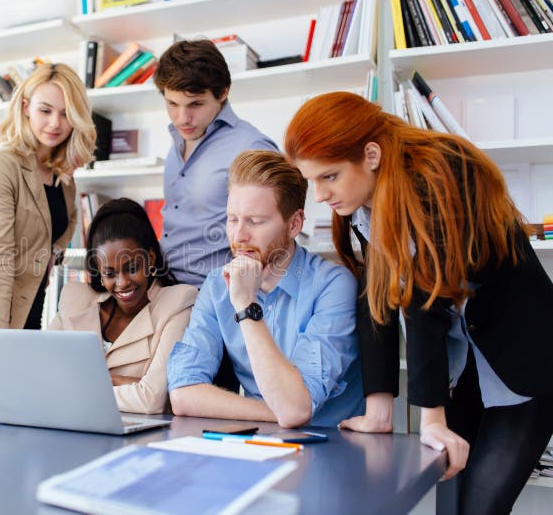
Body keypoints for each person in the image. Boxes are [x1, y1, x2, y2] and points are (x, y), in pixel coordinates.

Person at [285, 91, 553, 513]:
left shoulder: (442, 175)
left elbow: (424, 299)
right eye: (311, 181)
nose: (318, 195)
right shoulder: (363, 205)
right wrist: (378, 410)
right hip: (466, 368)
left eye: (329, 177)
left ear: (370, 155)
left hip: (522, 362)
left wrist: (430, 418)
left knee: (480, 507)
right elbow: (378, 301)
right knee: (446, 502)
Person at [166, 150, 364, 427]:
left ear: (294, 223)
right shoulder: (217, 285)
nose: (238, 236)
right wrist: (277, 414)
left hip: (334, 447)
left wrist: (247, 307)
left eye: (256, 221)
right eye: (232, 219)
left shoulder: (332, 285)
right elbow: (183, 393)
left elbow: (296, 409)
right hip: (264, 440)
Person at [0, 63, 96, 388]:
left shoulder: (64, 178)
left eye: (66, 114)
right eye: (45, 110)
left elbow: (58, 238)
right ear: (25, 107)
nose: (55, 123)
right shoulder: (2, 165)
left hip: (28, 318)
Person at [48, 198, 197, 414]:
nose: (122, 282)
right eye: (109, 273)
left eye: (132, 268)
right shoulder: (74, 299)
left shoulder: (177, 303)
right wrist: (126, 383)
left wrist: (77, 387)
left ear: (150, 258)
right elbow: (44, 377)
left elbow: (152, 399)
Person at [154, 39, 278, 288]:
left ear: (222, 93)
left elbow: (272, 236)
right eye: (172, 104)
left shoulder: (251, 147)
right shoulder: (179, 139)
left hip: (212, 291)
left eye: (195, 104)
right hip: (162, 283)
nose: (182, 118)